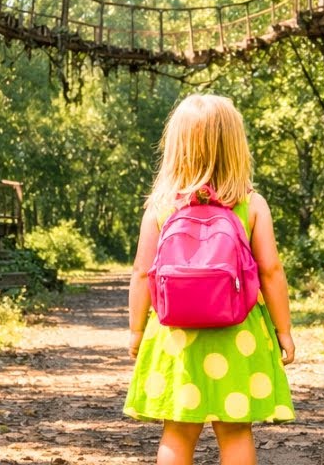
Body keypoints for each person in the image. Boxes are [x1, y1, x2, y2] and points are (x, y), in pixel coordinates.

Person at [124, 93, 296, 465]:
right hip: (239, 335)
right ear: (235, 146)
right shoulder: (251, 203)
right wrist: (284, 330)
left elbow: (142, 272)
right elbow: (271, 270)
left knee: (178, 429)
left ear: (175, 146)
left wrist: (136, 331)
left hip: (175, 337)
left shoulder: (161, 206)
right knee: (235, 431)